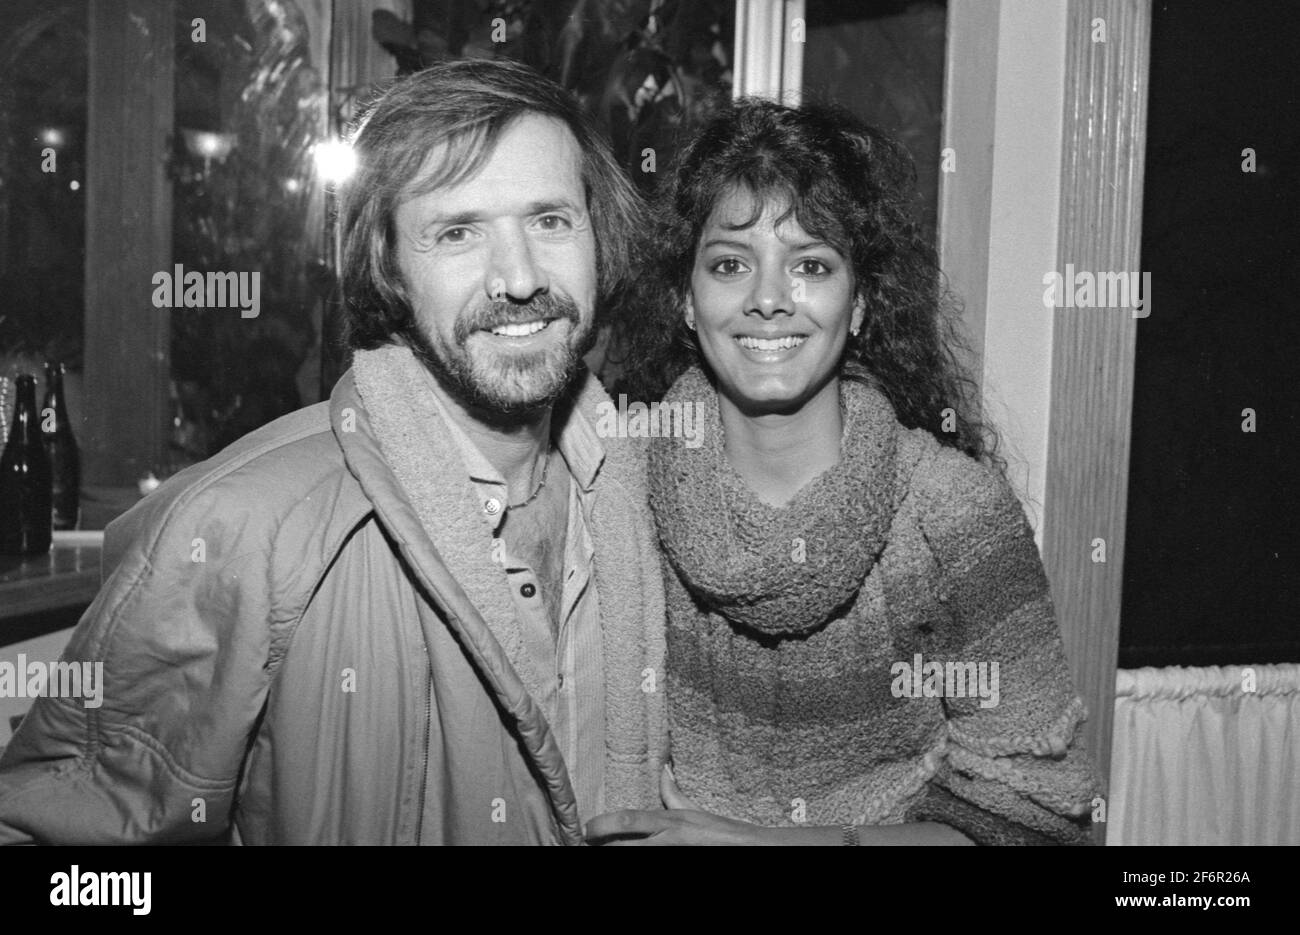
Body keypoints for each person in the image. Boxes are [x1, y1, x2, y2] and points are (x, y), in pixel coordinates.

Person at [0, 59, 667, 845]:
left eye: (550, 220)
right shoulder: (243, 524)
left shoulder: (636, 489)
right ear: (387, 264)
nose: (519, 277)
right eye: (458, 231)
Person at [587, 99, 1100, 845]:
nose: (768, 299)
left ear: (858, 304)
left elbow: (1038, 816)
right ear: (685, 302)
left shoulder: (952, 514)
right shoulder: (616, 483)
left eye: (812, 265)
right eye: (731, 264)